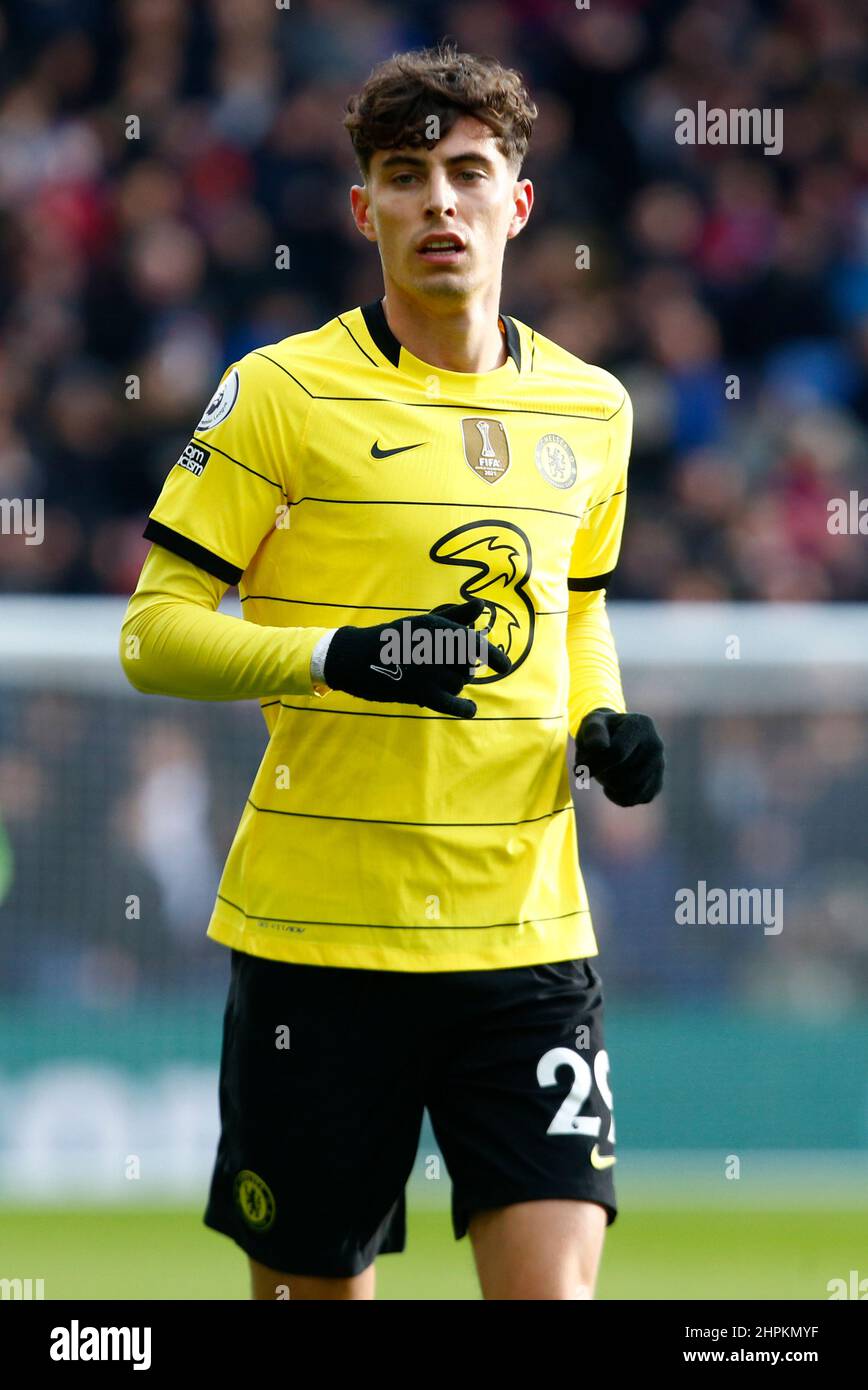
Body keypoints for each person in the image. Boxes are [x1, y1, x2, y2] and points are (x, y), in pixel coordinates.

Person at [119, 41, 664, 1301]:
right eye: (406, 176)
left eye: (468, 173)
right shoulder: (280, 393)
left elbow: (576, 611)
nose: (439, 203)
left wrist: (604, 718)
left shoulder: (593, 410)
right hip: (318, 939)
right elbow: (154, 631)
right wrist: (334, 658)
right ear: (365, 209)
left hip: (521, 936)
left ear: (515, 204)